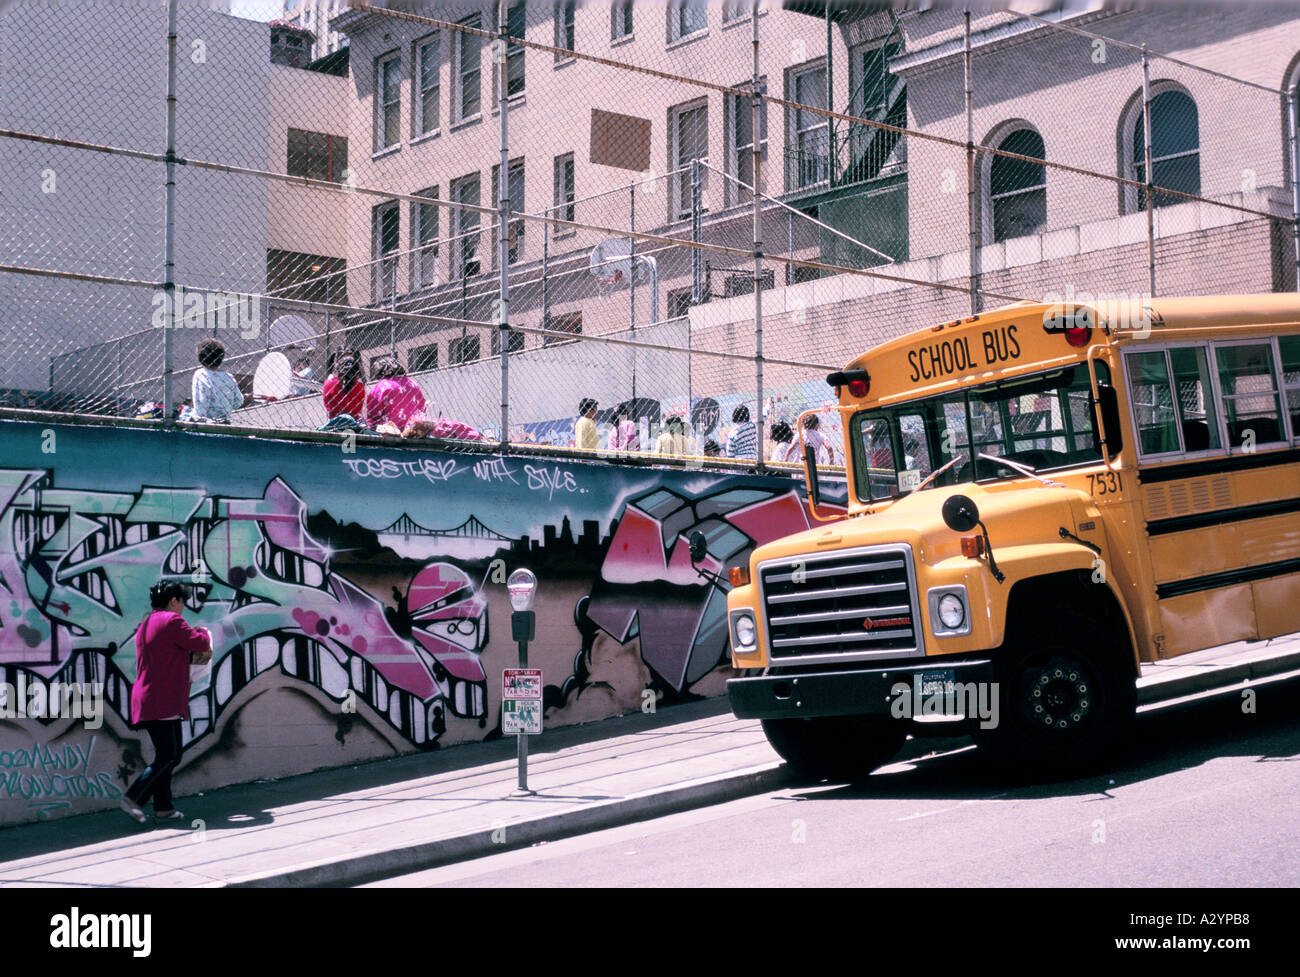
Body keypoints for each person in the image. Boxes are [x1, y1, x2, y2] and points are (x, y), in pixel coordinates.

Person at [121, 581, 211, 824]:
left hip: (148, 698)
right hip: (163, 699)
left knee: (165, 755)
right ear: (174, 601)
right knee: (171, 756)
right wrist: (203, 631)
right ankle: (134, 796)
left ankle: (163, 807)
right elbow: (200, 643)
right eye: (182, 601)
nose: (183, 607)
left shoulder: (145, 625)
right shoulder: (172, 621)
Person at [365, 356, 426, 431]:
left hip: (388, 433)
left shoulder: (381, 386)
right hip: (412, 431)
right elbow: (422, 408)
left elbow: (372, 415)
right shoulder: (413, 384)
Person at [191, 339, 244, 423]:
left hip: (206, 422)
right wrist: (226, 407)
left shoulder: (200, 374)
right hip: (225, 421)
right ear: (221, 358)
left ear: (200, 357)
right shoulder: (229, 377)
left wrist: (198, 417)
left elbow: (203, 401)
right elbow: (239, 401)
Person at [322, 351, 365, 420]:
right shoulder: (360, 386)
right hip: (354, 421)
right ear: (357, 373)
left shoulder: (329, 383)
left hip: (334, 422)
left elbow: (326, 404)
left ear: (338, 369)